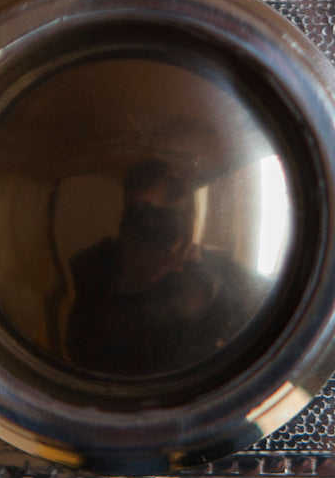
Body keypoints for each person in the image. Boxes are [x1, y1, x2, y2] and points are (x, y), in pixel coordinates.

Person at [64, 159, 257, 380]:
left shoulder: (214, 269)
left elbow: (261, 319)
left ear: (187, 223)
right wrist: (133, 281)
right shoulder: (94, 267)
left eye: (167, 217)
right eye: (140, 215)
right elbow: (79, 355)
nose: (153, 229)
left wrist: (201, 278)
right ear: (125, 222)